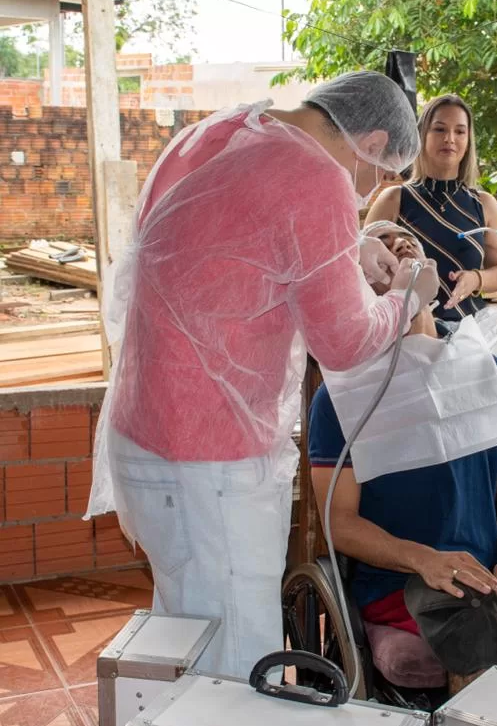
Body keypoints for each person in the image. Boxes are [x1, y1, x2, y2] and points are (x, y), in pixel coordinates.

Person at [85, 71, 440, 681]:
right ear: (374, 142)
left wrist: (351, 244)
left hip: (145, 437)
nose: (367, 192)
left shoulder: (224, 130)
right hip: (210, 461)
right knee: (236, 661)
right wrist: (407, 296)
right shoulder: (318, 175)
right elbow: (345, 341)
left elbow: (237, 244)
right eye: (380, 176)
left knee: (185, 634)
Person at [308, 308, 497, 694]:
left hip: (485, 566)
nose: (401, 247)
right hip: (398, 577)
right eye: (385, 248)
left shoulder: (488, 372)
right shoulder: (343, 397)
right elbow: (338, 521)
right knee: (469, 618)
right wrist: (424, 558)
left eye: (408, 242)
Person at [365, 94, 497, 323]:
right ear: (422, 135)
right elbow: (365, 271)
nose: (450, 139)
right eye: (440, 129)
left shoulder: (485, 204)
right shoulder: (393, 199)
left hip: (471, 333)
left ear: (468, 141)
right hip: (408, 334)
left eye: (460, 131)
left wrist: (476, 279)